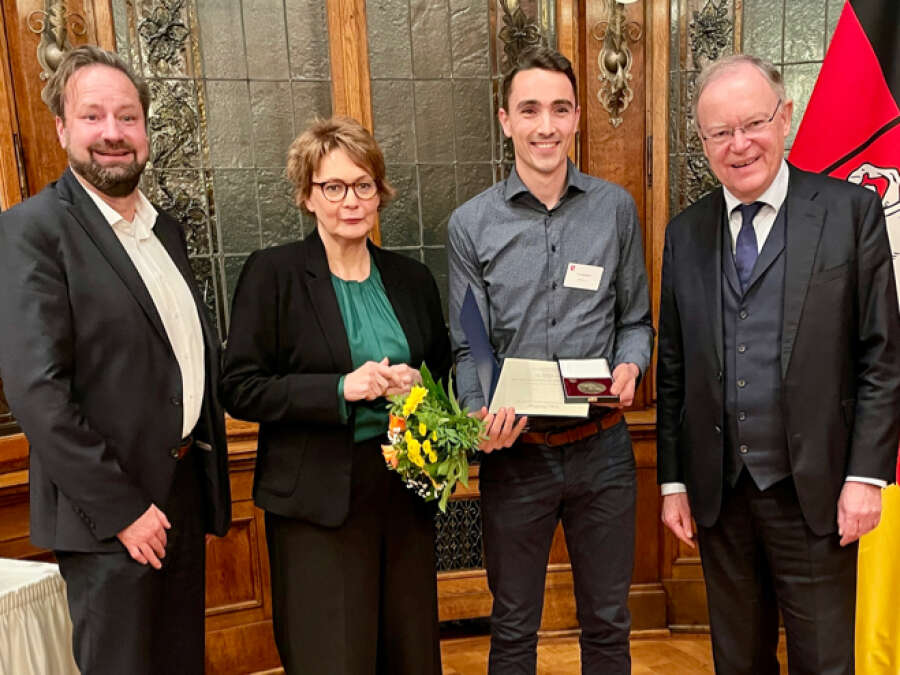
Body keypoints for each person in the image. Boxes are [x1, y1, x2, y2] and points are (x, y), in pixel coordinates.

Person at [657, 54, 900, 675]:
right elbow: (675, 368)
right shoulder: (685, 233)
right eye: (720, 132)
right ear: (704, 141)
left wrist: (867, 477)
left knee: (824, 662)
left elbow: (881, 356)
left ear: (785, 118)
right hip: (719, 495)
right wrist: (673, 481)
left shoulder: (850, 214)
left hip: (817, 493)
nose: (739, 145)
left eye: (754, 123)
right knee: (738, 663)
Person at [0, 45, 231, 674]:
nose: (112, 134)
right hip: (109, 518)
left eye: (127, 117)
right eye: (93, 116)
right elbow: (36, 390)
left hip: (179, 495)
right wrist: (124, 511)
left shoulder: (165, 231)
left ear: (146, 130)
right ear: (62, 129)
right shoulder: (32, 230)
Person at [448, 46, 654, 674]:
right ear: (505, 119)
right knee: (512, 628)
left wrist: (631, 365)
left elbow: (635, 321)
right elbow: (469, 343)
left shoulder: (615, 209)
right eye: (530, 109)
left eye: (560, 109)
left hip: (604, 453)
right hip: (517, 458)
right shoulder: (470, 224)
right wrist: (480, 410)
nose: (546, 125)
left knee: (609, 624)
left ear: (576, 120)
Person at [221, 116, 450, 675]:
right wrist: (340, 389)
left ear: (380, 192)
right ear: (308, 196)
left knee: (410, 653)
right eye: (333, 187)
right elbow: (239, 387)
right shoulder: (273, 275)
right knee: (334, 659)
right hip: (317, 504)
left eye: (363, 185)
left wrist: (420, 385)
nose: (351, 200)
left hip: (402, 492)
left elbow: (442, 368)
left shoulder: (412, 278)